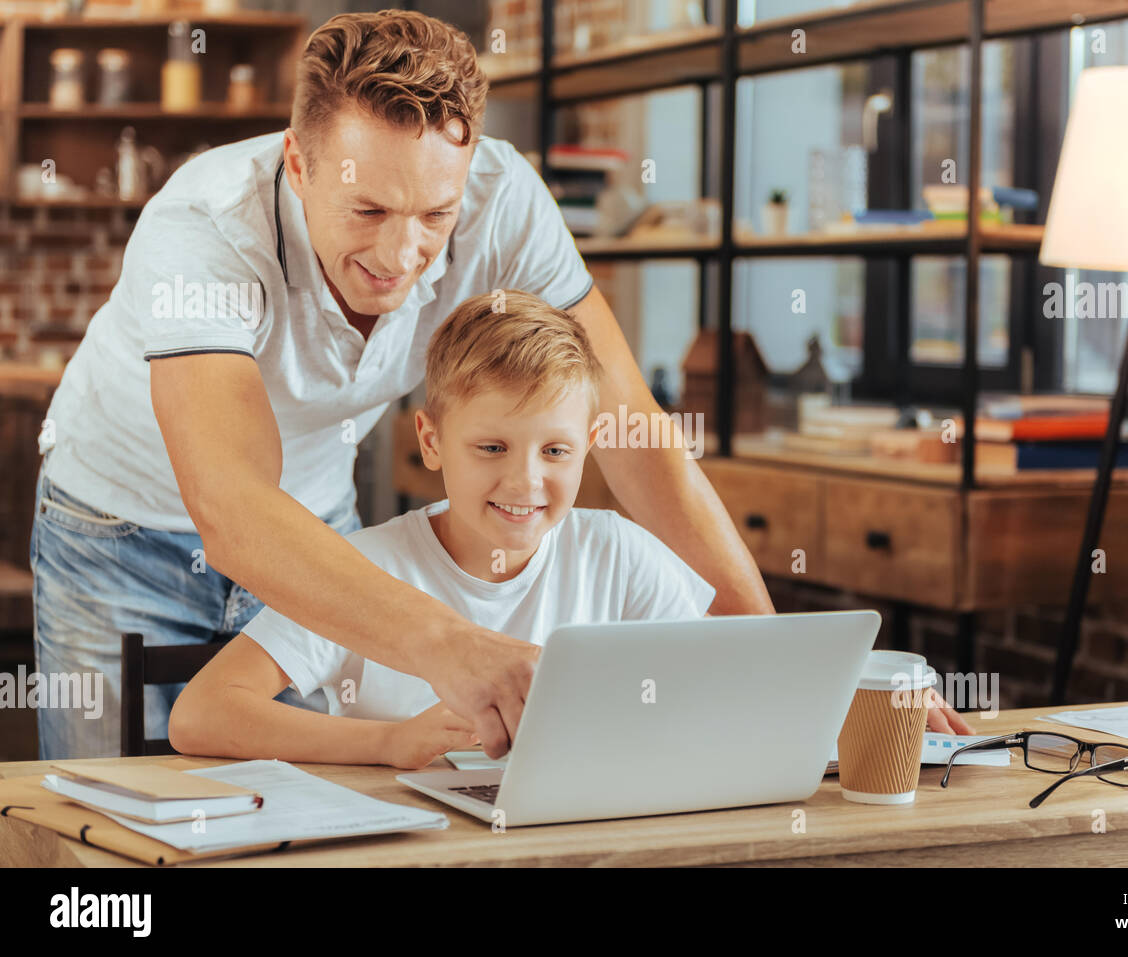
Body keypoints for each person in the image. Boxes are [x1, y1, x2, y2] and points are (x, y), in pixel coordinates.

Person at [30, 11, 774, 762]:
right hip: (118, 534)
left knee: (295, 823)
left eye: (434, 216)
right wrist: (450, 645)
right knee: (112, 818)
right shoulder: (206, 231)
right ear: (298, 164)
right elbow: (231, 504)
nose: (400, 252)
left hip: (314, 525)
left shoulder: (505, 203)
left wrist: (769, 658)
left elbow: (629, 424)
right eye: (369, 209)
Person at [169, 291, 718, 767]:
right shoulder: (362, 567)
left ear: (589, 444)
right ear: (431, 442)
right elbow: (201, 714)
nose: (525, 482)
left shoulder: (621, 555)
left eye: (556, 451)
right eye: (492, 448)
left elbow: (714, 694)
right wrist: (388, 741)